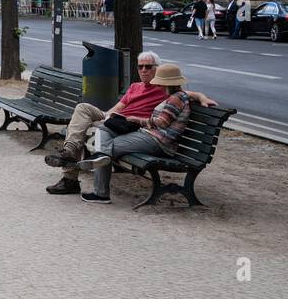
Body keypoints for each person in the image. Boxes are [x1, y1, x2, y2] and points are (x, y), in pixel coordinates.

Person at [44, 51, 216, 194]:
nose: (144, 70)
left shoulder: (164, 88)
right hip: (116, 119)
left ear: (158, 69)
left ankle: (70, 179)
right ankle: (69, 152)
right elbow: (119, 106)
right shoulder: (135, 86)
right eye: (140, 66)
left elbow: (187, 94)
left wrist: (202, 97)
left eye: (148, 66)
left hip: (130, 126)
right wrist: (108, 117)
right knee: (83, 108)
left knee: (84, 134)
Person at [77, 63, 195, 203]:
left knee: (104, 149)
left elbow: (162, 122)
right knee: (104, 137)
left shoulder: (176, 98)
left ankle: (101, 193)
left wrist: (138, 120)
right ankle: (100, 189)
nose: (159, 86)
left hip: (160, 142)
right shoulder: (177, 96)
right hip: (150, 136)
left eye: (161, 82)